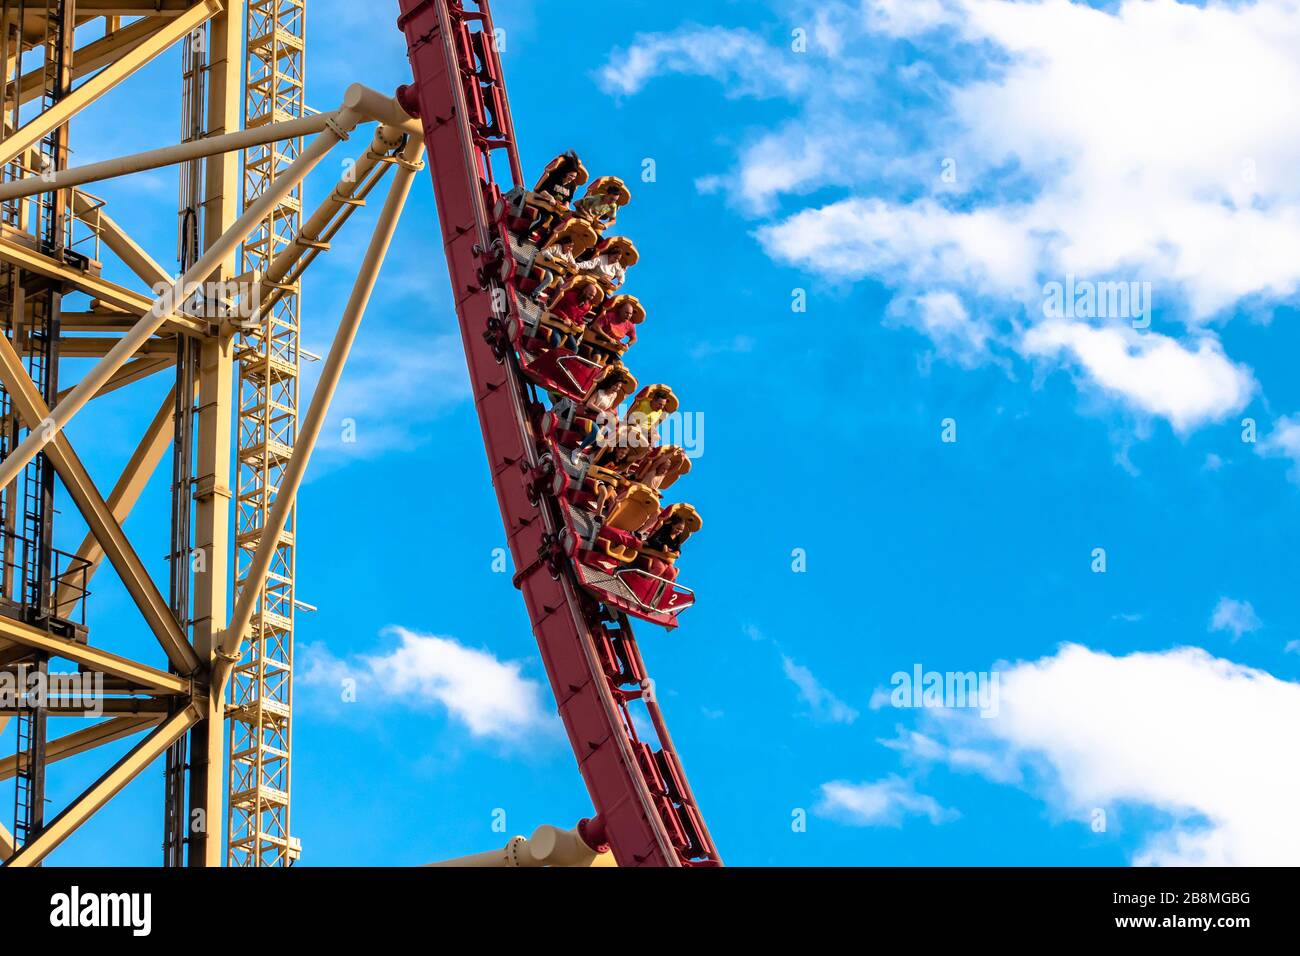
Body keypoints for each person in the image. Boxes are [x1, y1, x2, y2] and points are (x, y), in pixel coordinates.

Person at [530, 151, 588, 241]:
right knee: (542, 219)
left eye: (574, 177)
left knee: (559, 225)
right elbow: (541, 190)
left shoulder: (572, 186)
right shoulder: (555, 177)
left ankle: (543, 242)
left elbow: (568, 199)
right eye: (571, 175)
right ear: (566, 172)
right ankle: (525, 234)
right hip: (543, 203)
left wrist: (566, 206)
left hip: (556, 208)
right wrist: (550, 198)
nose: (572, 178)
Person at [545, 277, 603, 350]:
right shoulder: (570, 295)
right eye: (590, 294)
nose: (591, 297)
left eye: (593, 296)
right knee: (556, 340)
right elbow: (555, 308)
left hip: (568, 328)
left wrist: (581, 323)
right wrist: (565, 317)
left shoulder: (587, 306)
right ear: (584, 291)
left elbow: (578, 317)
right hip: (554, 322)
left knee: (574, 348)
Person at [585, 294, 645, 360]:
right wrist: (608, 338)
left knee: (618, 363)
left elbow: (634, 338)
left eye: (630, 314)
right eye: (626, 313)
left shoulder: (630, 325)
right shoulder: (609, 316)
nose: (628, 315)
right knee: (597, 357)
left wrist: (628, 344)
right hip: (599, 342)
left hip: (613, 347)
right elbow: (595, 326)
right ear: (620, 310)